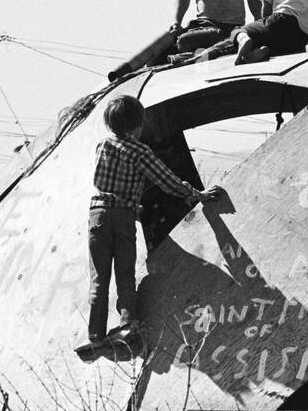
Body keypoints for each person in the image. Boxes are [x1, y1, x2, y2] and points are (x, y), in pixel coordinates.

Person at [88, 95, 225, 343]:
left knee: (99, 277)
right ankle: (127, 325)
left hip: (97, 216)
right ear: (138, 125)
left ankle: (95, 337)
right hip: (123, 217)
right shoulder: (140, 151)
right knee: (124, 273)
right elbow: (167, 181)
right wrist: (196, 194)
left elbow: (101, 182)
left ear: (109, 124)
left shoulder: (103, 145)